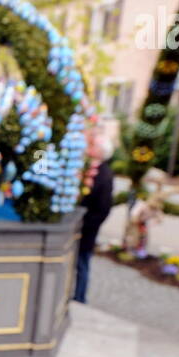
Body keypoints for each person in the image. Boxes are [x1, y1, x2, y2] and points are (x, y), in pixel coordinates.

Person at [73, 123, 115, 303]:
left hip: (86, 230)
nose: (89, 148)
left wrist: (85, 224)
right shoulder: (86, 169)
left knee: (82, 264)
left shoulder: (104, 175)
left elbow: (103, 208)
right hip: (80, 226)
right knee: (76, 263)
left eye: (94, 146)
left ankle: (80, 298)